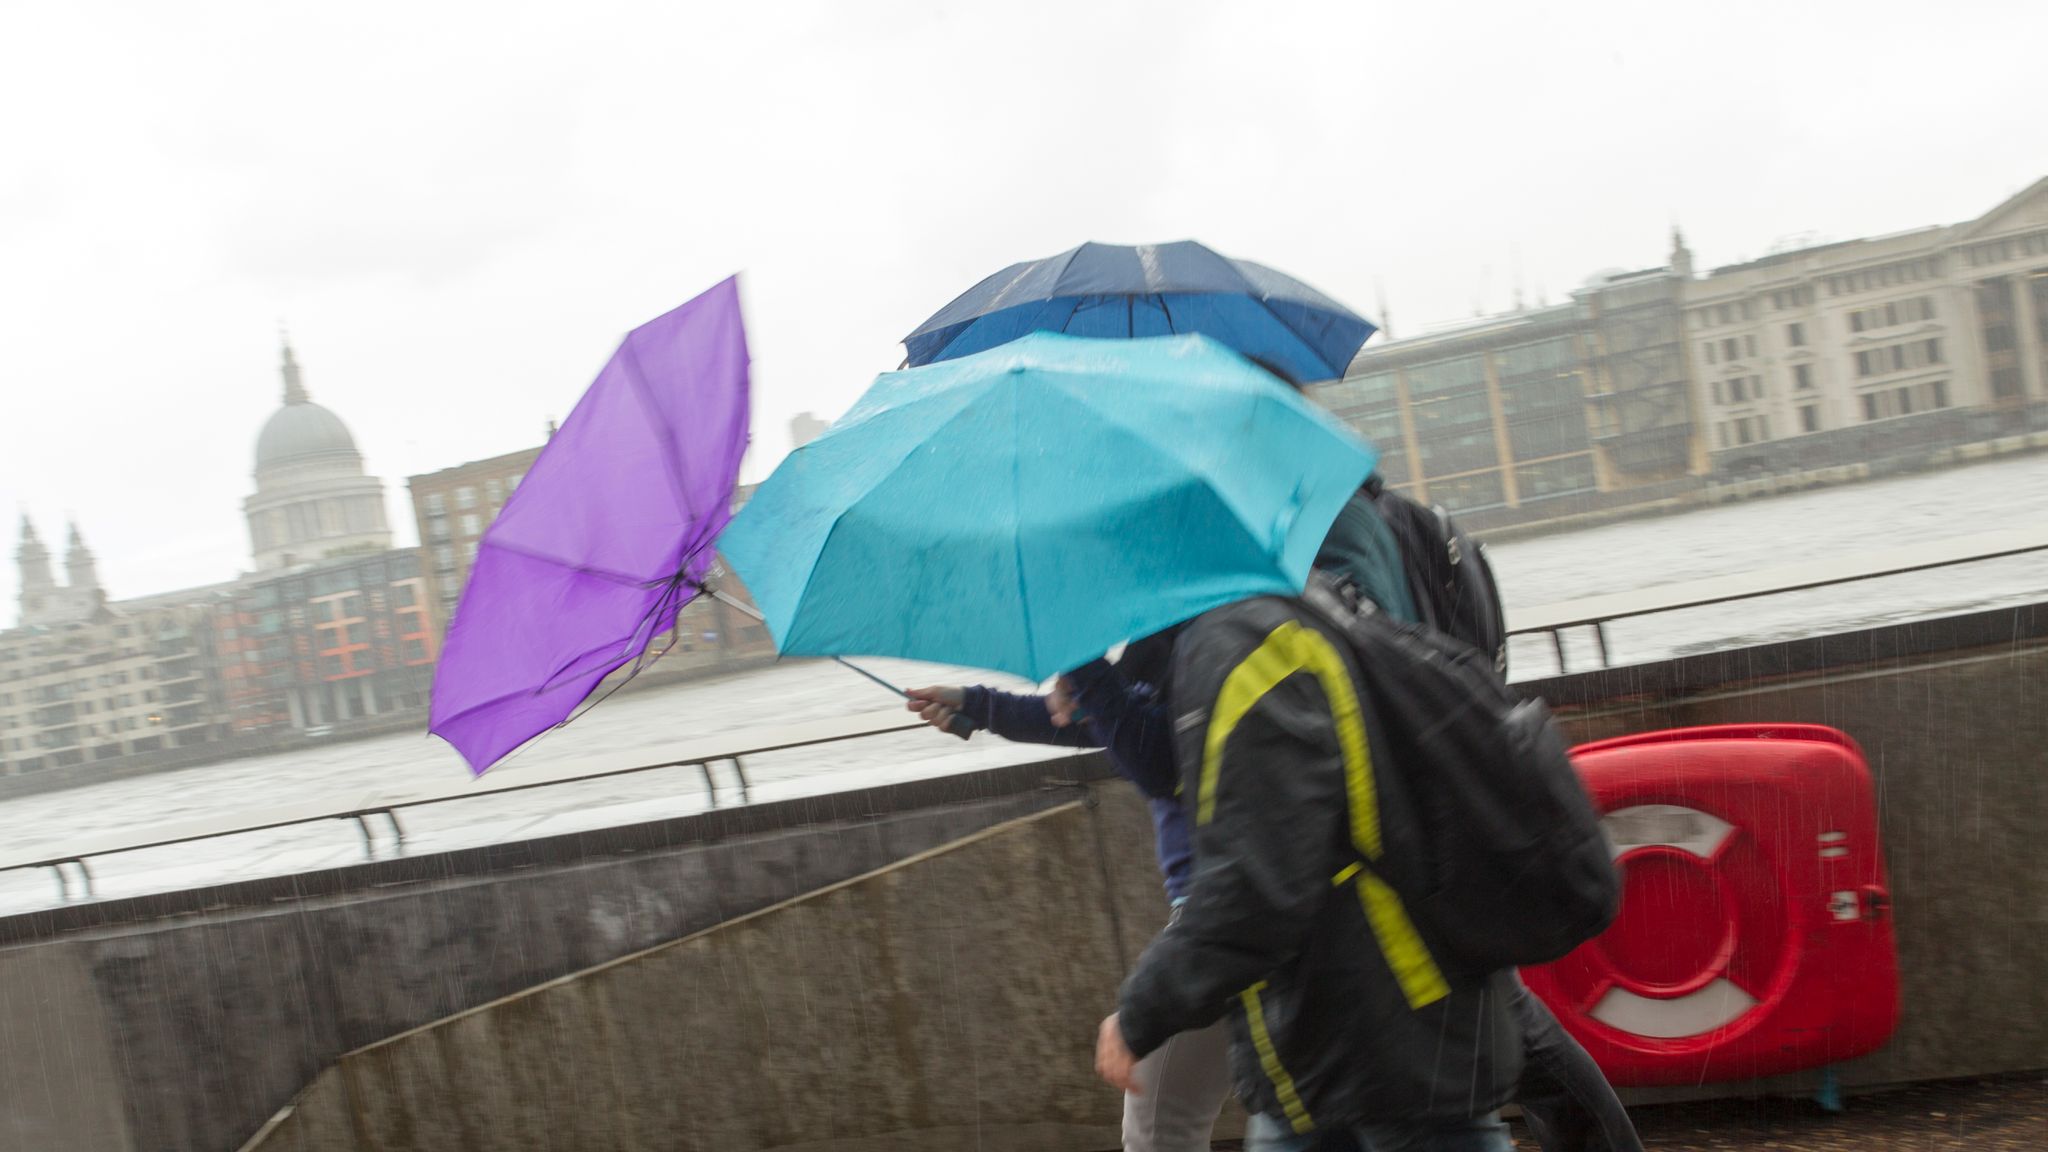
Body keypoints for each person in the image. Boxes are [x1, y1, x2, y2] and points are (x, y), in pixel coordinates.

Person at [1095, 586, 1522, 1151]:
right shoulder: (1313, 617)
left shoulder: (1245, 659)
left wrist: (1139, 1014)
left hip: (1379, 1024)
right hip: (1356, 1025)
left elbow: (1252, 891)